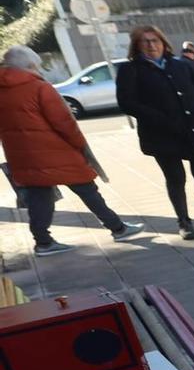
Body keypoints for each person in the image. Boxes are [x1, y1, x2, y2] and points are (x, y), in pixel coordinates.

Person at [0, 44, 141, 252]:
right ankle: (117, 228)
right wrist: (79, 146)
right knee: (87, 188)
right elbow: (63, 121)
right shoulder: (39, 87)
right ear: (30, 65)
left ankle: (43, 241)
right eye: (37, 66)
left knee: (39, 197)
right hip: (56, 151)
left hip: (21, 156)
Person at [115, 25, 194, 239]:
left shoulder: (182, 66)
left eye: (155, 40)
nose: (151, 45)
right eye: (145, 42)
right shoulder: (131, 70)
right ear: (137, 46)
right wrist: (158, 118)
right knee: (175, 178)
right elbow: (127, 103)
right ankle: (184, 222)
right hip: (162, 134)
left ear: (164, 43)